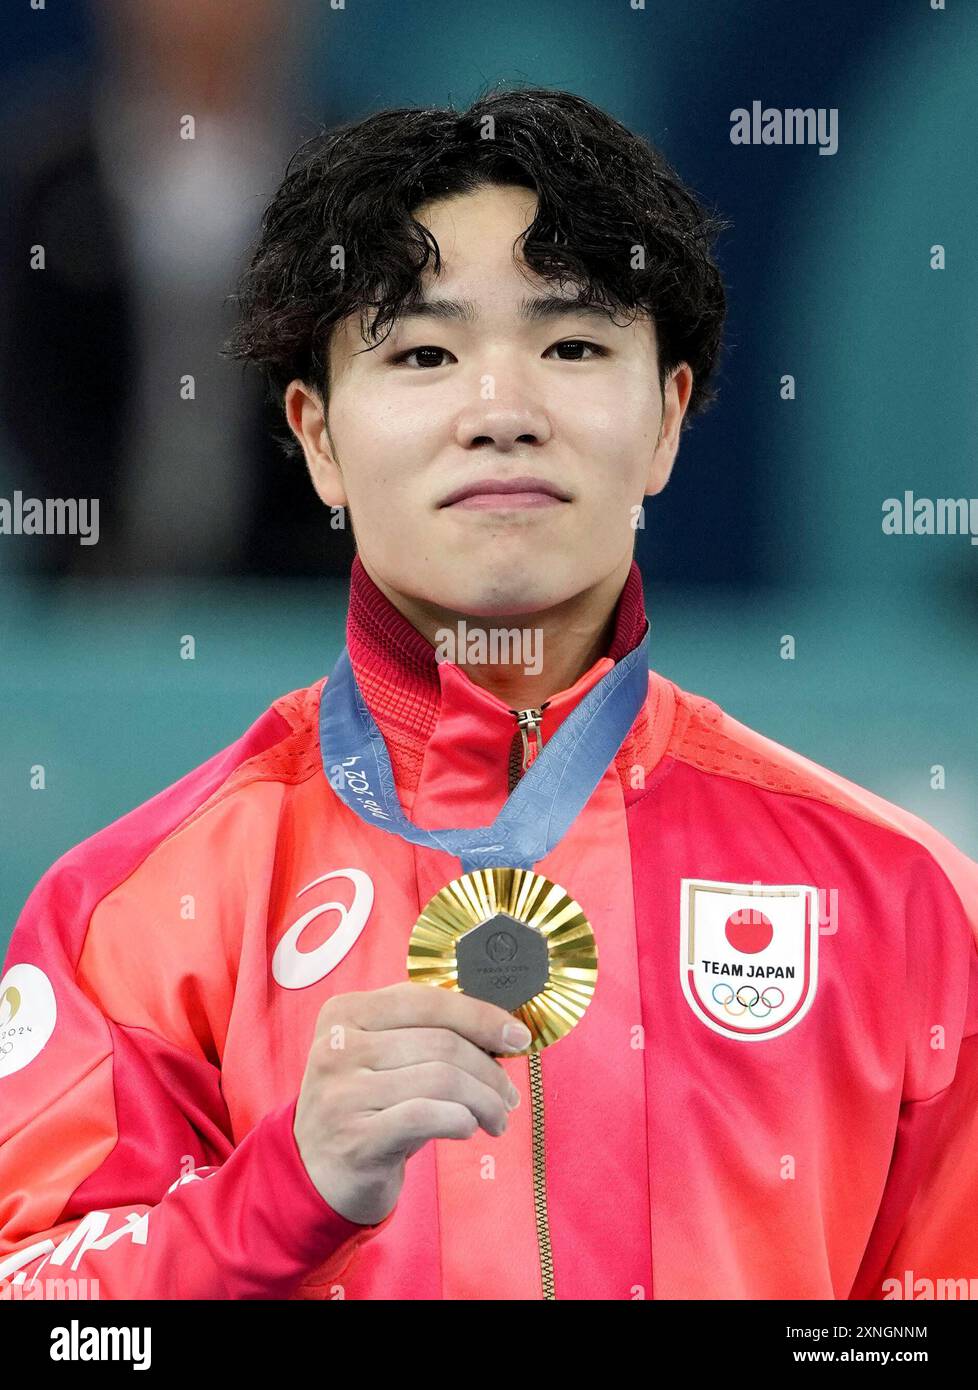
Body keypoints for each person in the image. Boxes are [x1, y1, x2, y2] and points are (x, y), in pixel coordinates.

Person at [1, 87, 975, 1302]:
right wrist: (280, 1195)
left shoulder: (896, 897)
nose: (501, 413)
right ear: (318, 442)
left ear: (667, 420)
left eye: (572, 346)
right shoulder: (135, 915)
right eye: (421, 352)